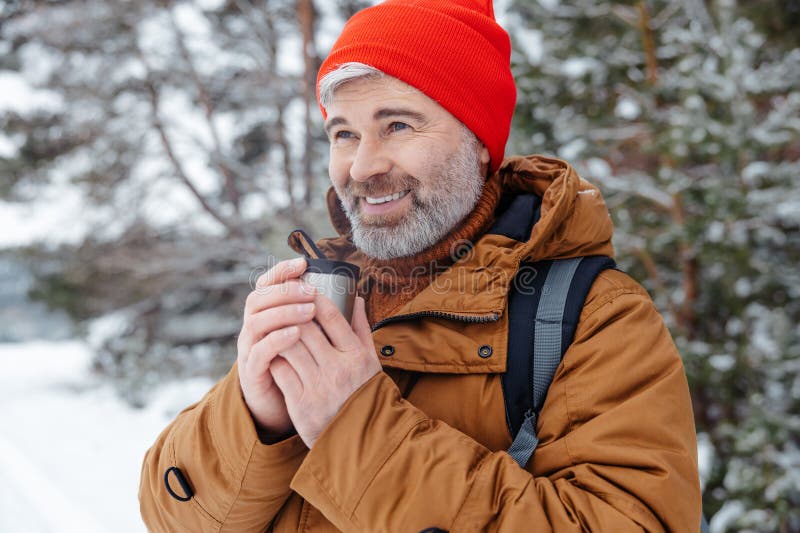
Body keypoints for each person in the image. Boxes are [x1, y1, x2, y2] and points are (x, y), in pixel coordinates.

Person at [139, 0, 701, 531]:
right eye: (344, 133)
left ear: (479, 141)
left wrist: (356, 428)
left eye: (399, 125)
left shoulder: (592, 316)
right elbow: (172, 515)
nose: (362, 166)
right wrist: (257, 418)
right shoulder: (329, 292)